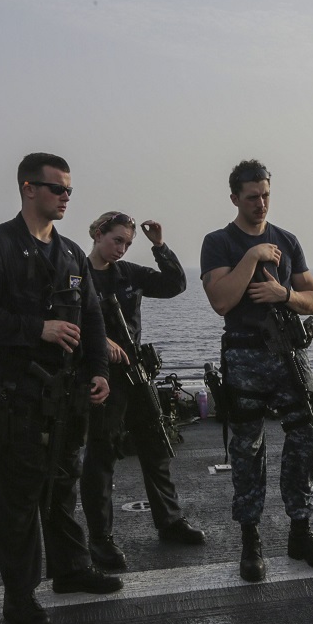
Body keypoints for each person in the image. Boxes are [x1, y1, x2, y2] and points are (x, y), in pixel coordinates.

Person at [0, 153, 121, 624]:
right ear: (29, 188)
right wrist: (36, 328)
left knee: (64, 481)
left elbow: (92, 318)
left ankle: (70, 569)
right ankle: (20, 595)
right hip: (18, 392)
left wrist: (98, 370)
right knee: (21, 492)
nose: (65, 197)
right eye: (56, 189)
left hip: (67, 393)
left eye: (69, 190)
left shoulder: (70, 254)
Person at [199, 160, 313, 582]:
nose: (261, 203)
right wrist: (253, 255)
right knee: (247, 448)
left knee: (307, 441)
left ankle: (300, 531)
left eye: (266, 195)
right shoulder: (219, 242)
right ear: (235, 198)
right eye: (252, 197)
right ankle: (251, 539)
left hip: (289, 355)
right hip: (244, 357)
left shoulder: (287, 240)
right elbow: (222, 300)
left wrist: (283, 293)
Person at [80, 211, 205, 570]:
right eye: (116, 240)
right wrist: (98, 340)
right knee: (101, 456)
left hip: (135, 373)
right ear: (98, 234)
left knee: (155, 447)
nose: (121, 248)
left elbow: (175, 284)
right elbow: (64, 315)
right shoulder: (77, 275)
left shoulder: (129, 274)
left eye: (127, 243)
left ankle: (170, 521)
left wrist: (159, 246)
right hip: (101, 375)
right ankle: (100, 539)